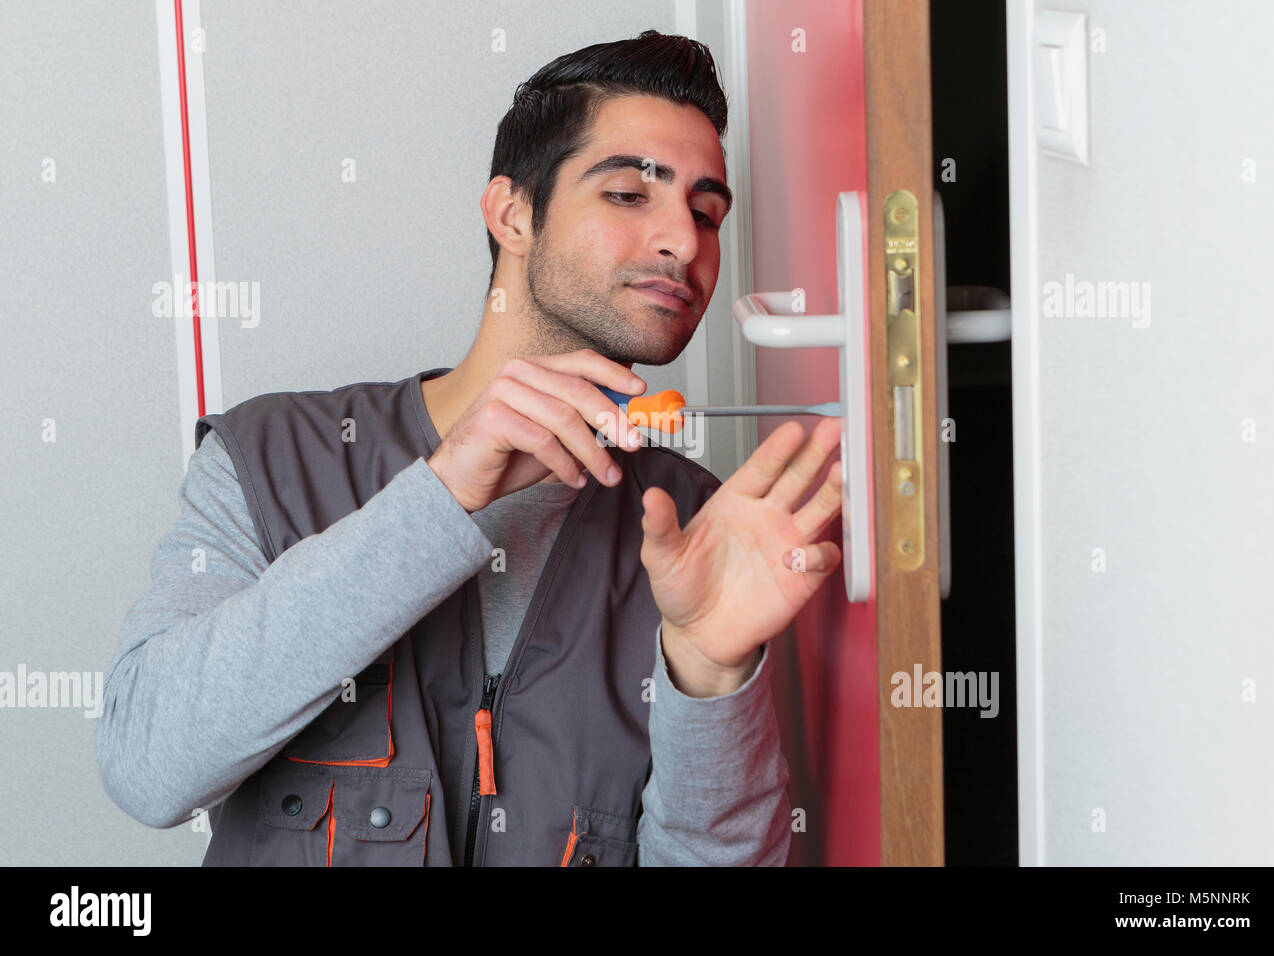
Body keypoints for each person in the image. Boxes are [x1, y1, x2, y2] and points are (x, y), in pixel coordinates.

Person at [96, 29, 843, 866]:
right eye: (630, 194)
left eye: (706, 212)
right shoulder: (270, 459)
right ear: (512, 213)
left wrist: (708, 675)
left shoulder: (703, 529)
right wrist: (441, 495)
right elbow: (145, 767)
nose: (686, 241)